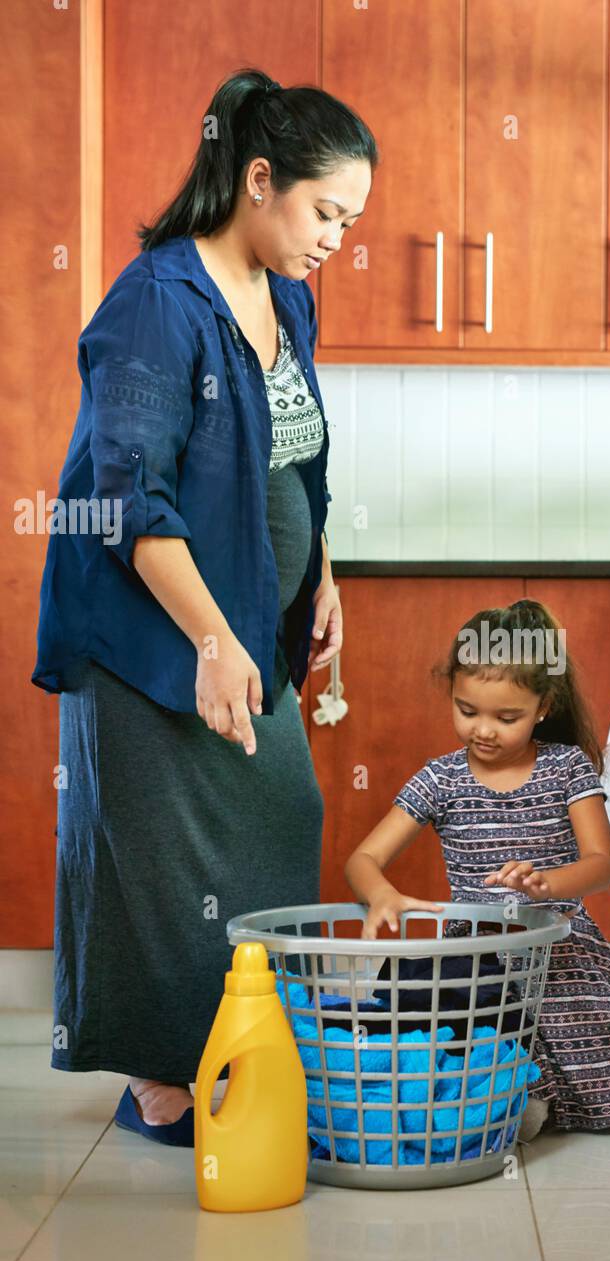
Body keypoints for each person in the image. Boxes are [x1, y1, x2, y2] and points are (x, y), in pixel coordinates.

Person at [31, 68, 377, 1144]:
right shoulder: (155, 303)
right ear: (260, 180)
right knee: (158, 850)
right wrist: (214, 640)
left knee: (281, 815)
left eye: (351, 222)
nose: (336, 240)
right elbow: (129, 496)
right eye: (326, 213)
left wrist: (321, 570)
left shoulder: (289, 297)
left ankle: (232, 1045)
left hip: (244, 622)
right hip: (153, 632)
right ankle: (160, 1082)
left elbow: (295, 455)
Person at [344, 599, 610, 1139]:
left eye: (506, 718)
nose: (483, 730)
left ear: (543, 707)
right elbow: (363, 858)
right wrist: (381, 893)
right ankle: (518, 1094)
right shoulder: (440, 779)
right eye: (467, 710)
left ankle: (575, 1093)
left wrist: (548, 883)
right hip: (477, 958)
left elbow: (603, 864)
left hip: (560, 945)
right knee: (504, 1079)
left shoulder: (567, 767)